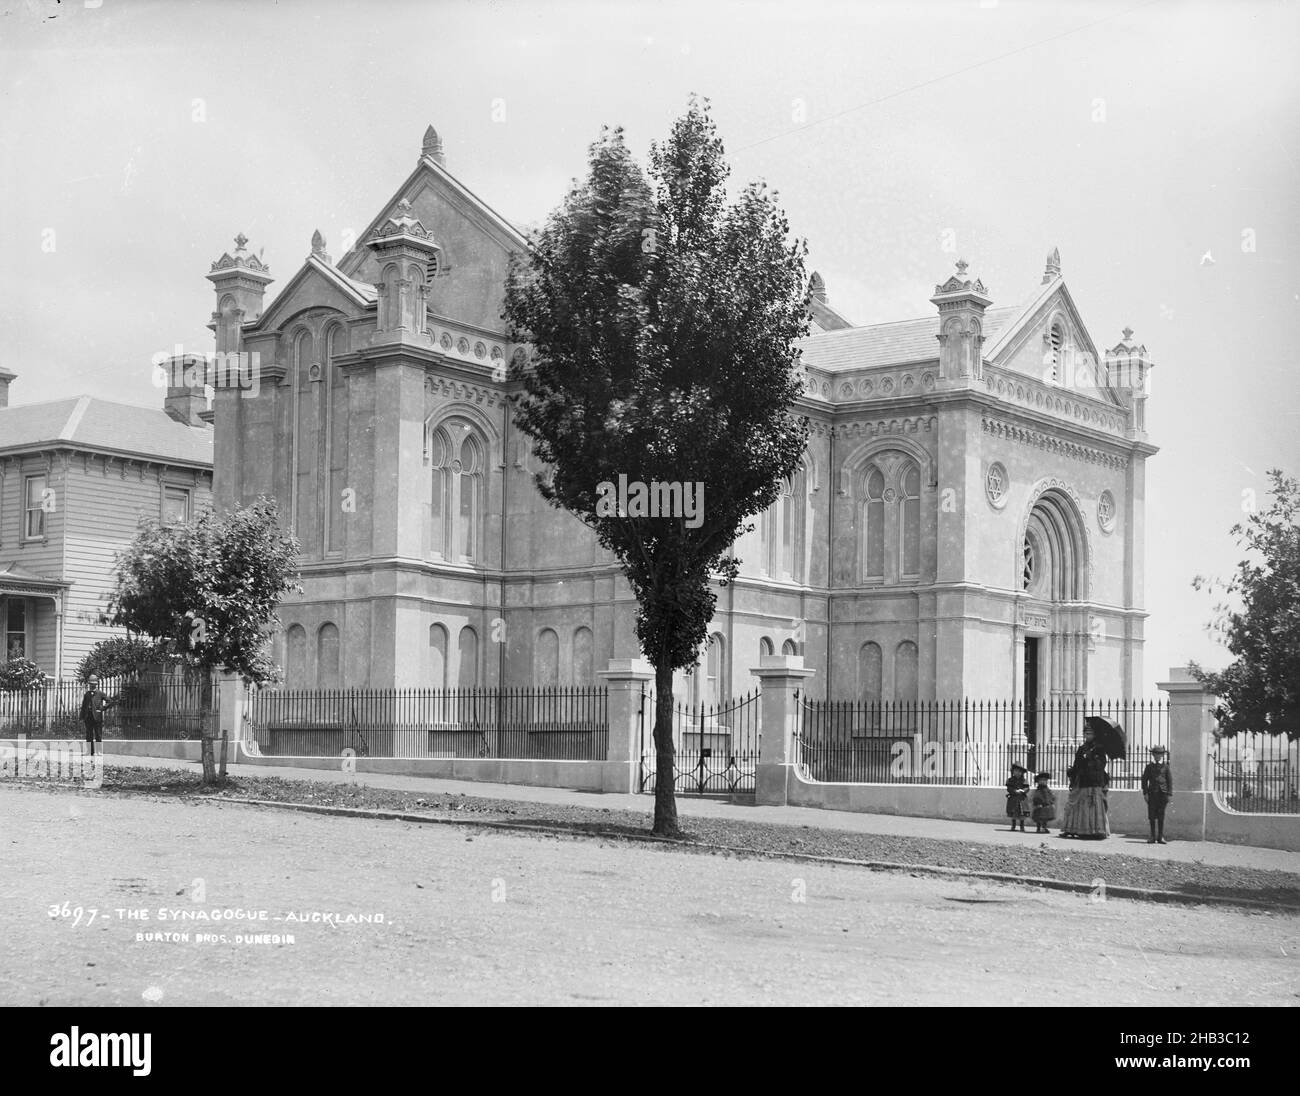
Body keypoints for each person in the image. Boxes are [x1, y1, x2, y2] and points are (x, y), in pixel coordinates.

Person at [1060, 725, 1109, 839]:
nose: (1088, 736)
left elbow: (1101, 765)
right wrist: (1072, 772)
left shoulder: (1099, 749)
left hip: (1094, 782)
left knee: (1092, 806)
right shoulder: (1081, 748)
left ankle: (1094, 831)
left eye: (1090, 733)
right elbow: (1077, 764)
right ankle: (1072, 829)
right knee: (1074, 803)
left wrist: (1091, 758)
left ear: (1095, 735)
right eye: (1086, 734)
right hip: (1081, 780)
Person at [1141, 744, 1173, 844]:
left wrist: (1169, 794)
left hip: (1162, 794)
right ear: (1153, 755)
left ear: (1162, 755)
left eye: (1160, 754)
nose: (1158, 756)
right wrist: (1145, 793)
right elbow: (1144, 780)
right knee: (1151, 815)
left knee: (1161, 815)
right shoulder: (1149, 767)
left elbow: (1169, 781)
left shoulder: (1166, 767)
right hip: (1152, 794)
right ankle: (1152, 837)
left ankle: (1160, 837)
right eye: (1156, 754)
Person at [79, 675, 115, 756]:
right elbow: (84, 706)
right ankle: (89, 751)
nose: (92, 685)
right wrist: (81, 717)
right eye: (91, 684)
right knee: (88, 735)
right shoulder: (87, 694)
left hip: (97, 717)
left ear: (96, 684)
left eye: (94, 684)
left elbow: (110, 701)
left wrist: (102, 709)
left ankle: (99, 751)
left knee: (98, 734)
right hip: (88, 717)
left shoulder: (100, 693)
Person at [1005, 763, 1029, 832]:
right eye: (1016, 771)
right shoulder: (1010, 780)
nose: (1017, 773)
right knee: (1013, 813)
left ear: (1022, 773)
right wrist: (1015, 791)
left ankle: (1022, 826)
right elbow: (1009, 788)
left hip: (1022, 799)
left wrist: (1022, 791)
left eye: (1019, 771)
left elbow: (1027, 788)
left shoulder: (1024, 780)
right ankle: (1013, 825)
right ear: (1013, 771)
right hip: (1013, 798)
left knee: (1022, 814)